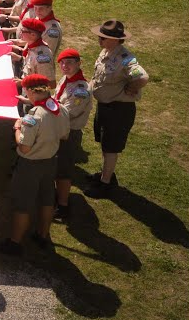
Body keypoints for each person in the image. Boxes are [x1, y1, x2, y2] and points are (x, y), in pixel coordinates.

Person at [0, 74, 69, 255]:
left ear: (30, 90)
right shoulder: (60, 109)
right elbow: (64, 135)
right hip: (50, 162)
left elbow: (25, 147)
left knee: (22, 203)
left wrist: (17, 128)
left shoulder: (32, 117)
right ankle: (42, 235)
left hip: (30, 165)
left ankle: (15, 242)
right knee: (46, 200)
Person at [87, 20, 150, 198]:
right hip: (106, 108)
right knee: (105, 144)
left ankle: (105, 184)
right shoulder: (106, 51)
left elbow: (143, 77)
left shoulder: (126, 59)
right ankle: (106, 173)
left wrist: (132, 87)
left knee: (111, 147)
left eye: (103, 37)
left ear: (115, 40)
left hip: (118, 111)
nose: (99, 39)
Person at [52, 48, 92, 220]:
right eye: (61, 62)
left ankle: (63, 206)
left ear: (78, 63)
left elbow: (67, 113)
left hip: (69, 133)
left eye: (69, 62)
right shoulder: (66, 80)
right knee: (57, 166)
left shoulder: (80, 89)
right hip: (59, 130)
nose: (64, 66)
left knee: (64, 170)